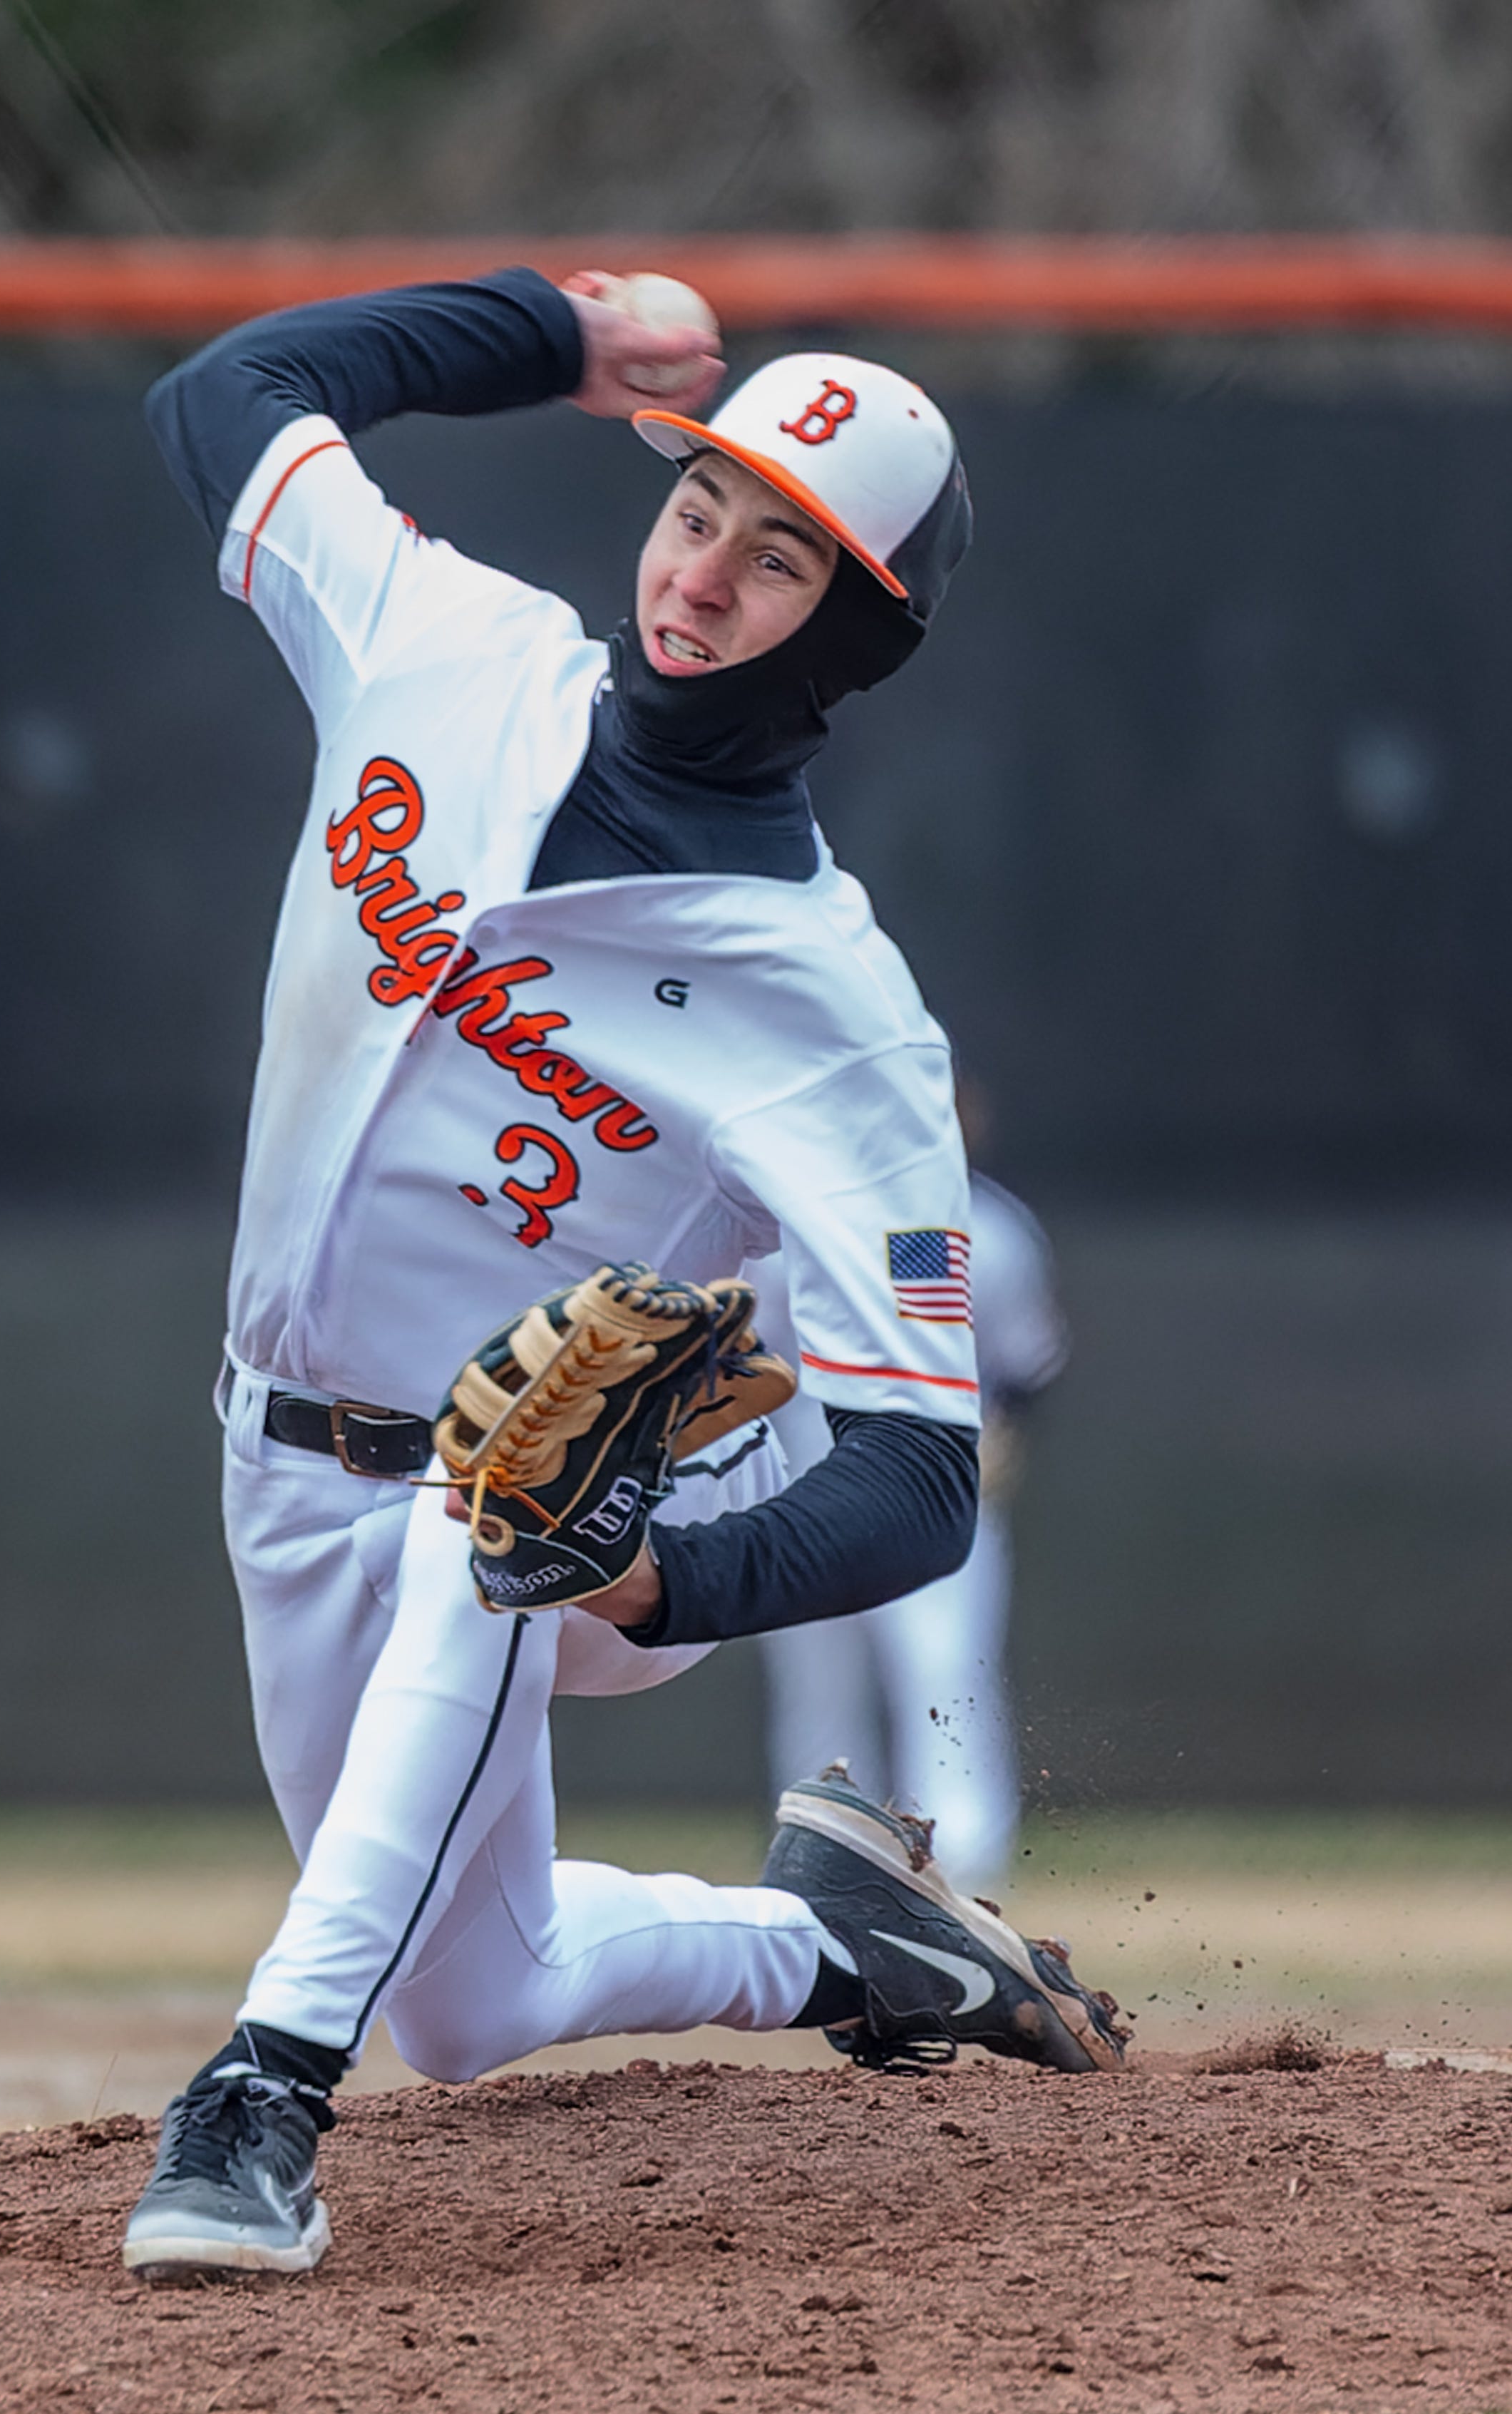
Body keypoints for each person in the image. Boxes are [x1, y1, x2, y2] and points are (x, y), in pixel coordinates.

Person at [121, 268, 1125, 2280]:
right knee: (476, 2001)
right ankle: (843, 1938)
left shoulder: (838, 1023)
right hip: (282, 1462)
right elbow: (233, 390)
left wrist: (656, 1575)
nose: (706, 575)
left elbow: (922, 1477)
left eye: (781, 559)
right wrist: (554, 332)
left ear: (863, 632)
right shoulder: (448, 644)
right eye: (698, 513)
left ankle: (256, 2100)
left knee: (502, 1496)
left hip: (601, 1507)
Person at [756, 1132, 1068, 1894]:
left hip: (935, 1471)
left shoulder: (986, 1228)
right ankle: (820, 1856)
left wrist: (1005, 1434)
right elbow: (749, 1351)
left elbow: (1027, 1362)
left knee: (945, 1669)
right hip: (808, 1475)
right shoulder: (785, 1223)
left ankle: (961, 1866)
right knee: (816, 1682)